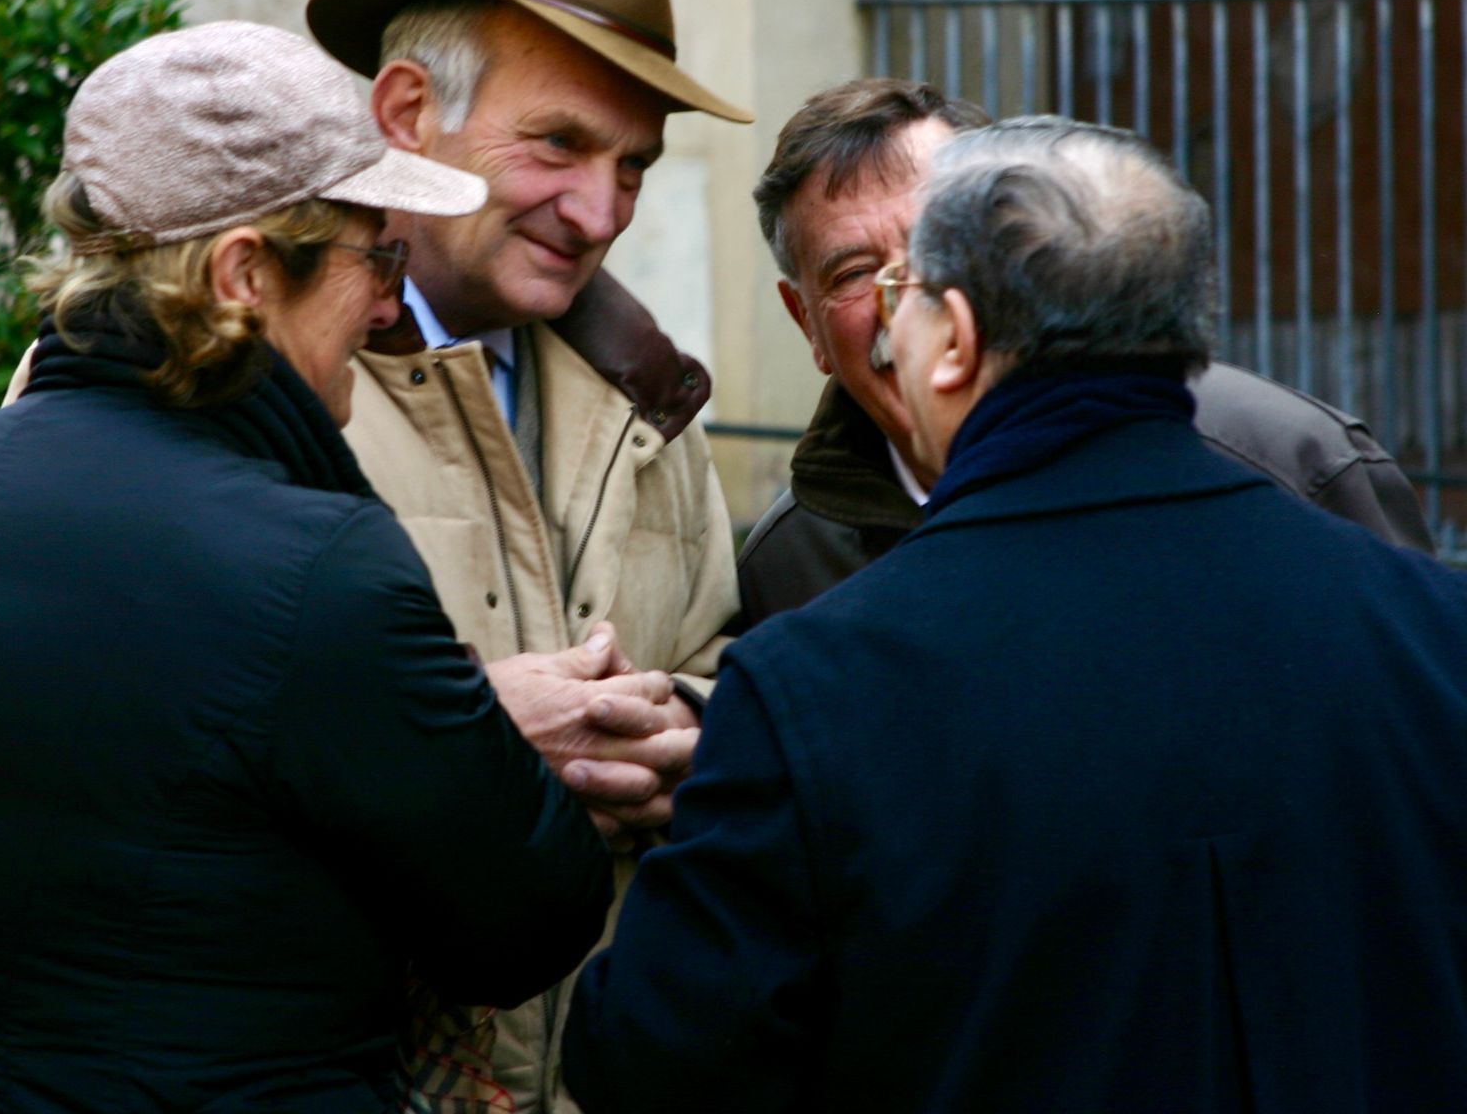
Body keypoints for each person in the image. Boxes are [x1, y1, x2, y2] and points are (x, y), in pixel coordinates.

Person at [564, 116, 1467, 1113]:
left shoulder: (811, 689)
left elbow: (653, 1061)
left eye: (901, 295)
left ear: (951, 338)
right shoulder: (1437, 629)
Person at [0, 21, 613, 1112]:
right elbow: (530, 920)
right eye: (377, 253)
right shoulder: (318, 564)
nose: (384, 303)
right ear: (244, 275)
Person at [303, 0, 750, 1110]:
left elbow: (716, 651)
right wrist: (457, 743)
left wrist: (683, 735)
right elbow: (121, 737)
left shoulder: (651, 400)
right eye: (558, 143)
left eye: (634, 164)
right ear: (405, 111)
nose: (599, 207)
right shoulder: (225, 373)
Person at [739, 79, 1432, 624]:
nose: (904, 296)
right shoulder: (791, 562)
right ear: (806, 322)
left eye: (933, 246)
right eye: (854, 273)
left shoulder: (1292, 461)